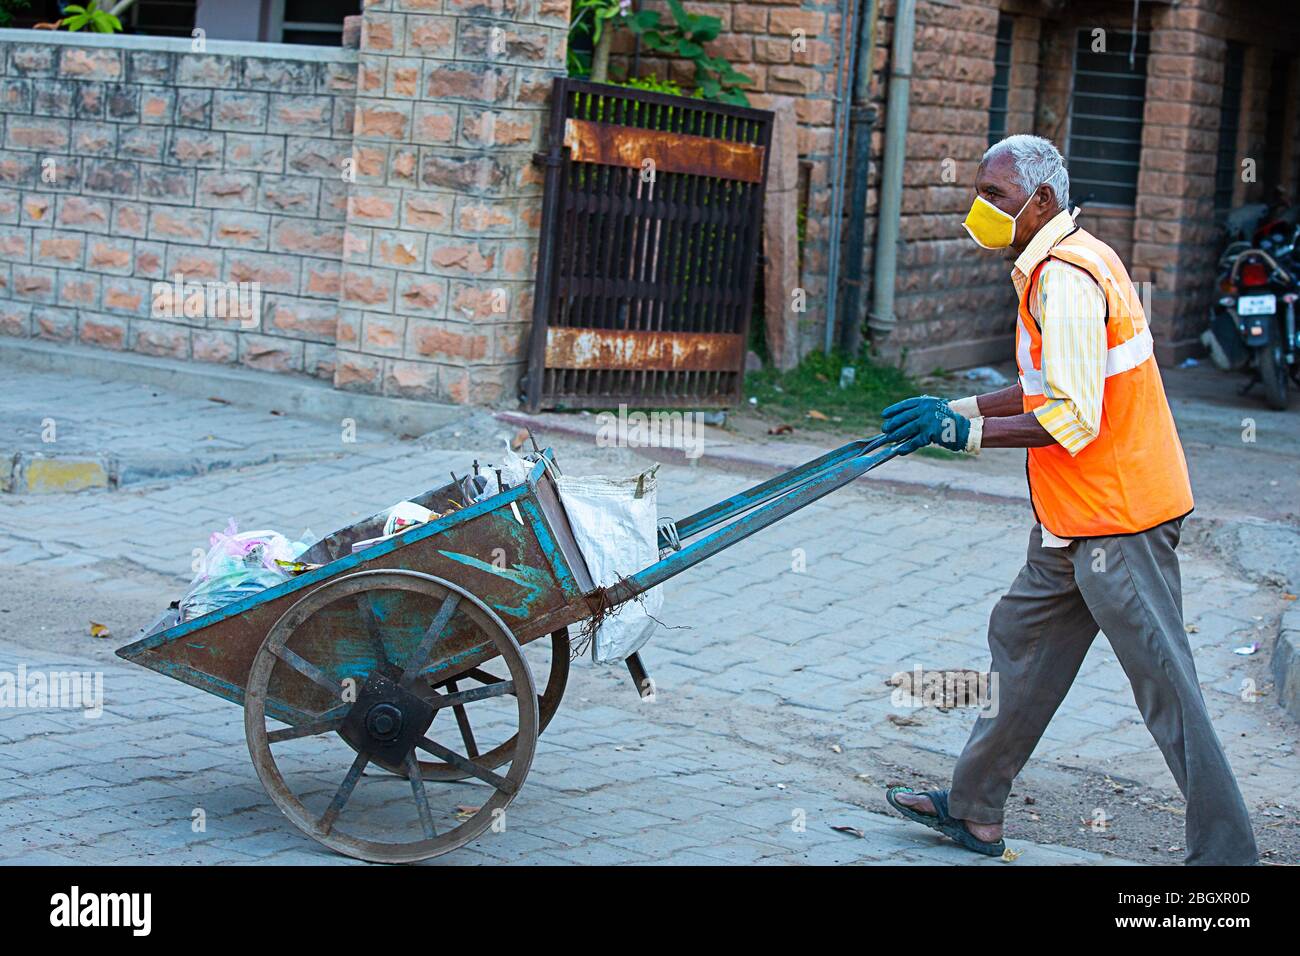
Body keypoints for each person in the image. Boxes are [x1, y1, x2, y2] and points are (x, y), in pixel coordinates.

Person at [880, 134, 1258, 865]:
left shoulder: (1067, 279)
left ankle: (1226, 860)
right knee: (1022, 649)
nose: (982, 210)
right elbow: (1047, 385)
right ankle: (974, 810)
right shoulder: (1065, 260)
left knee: (1167, 691)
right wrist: (958, 405)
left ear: (1042, 201)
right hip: (1072, 518)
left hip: (1120, 523)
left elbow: (1071, 416)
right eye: (981, 193)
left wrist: (959, 435)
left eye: (997, 197)